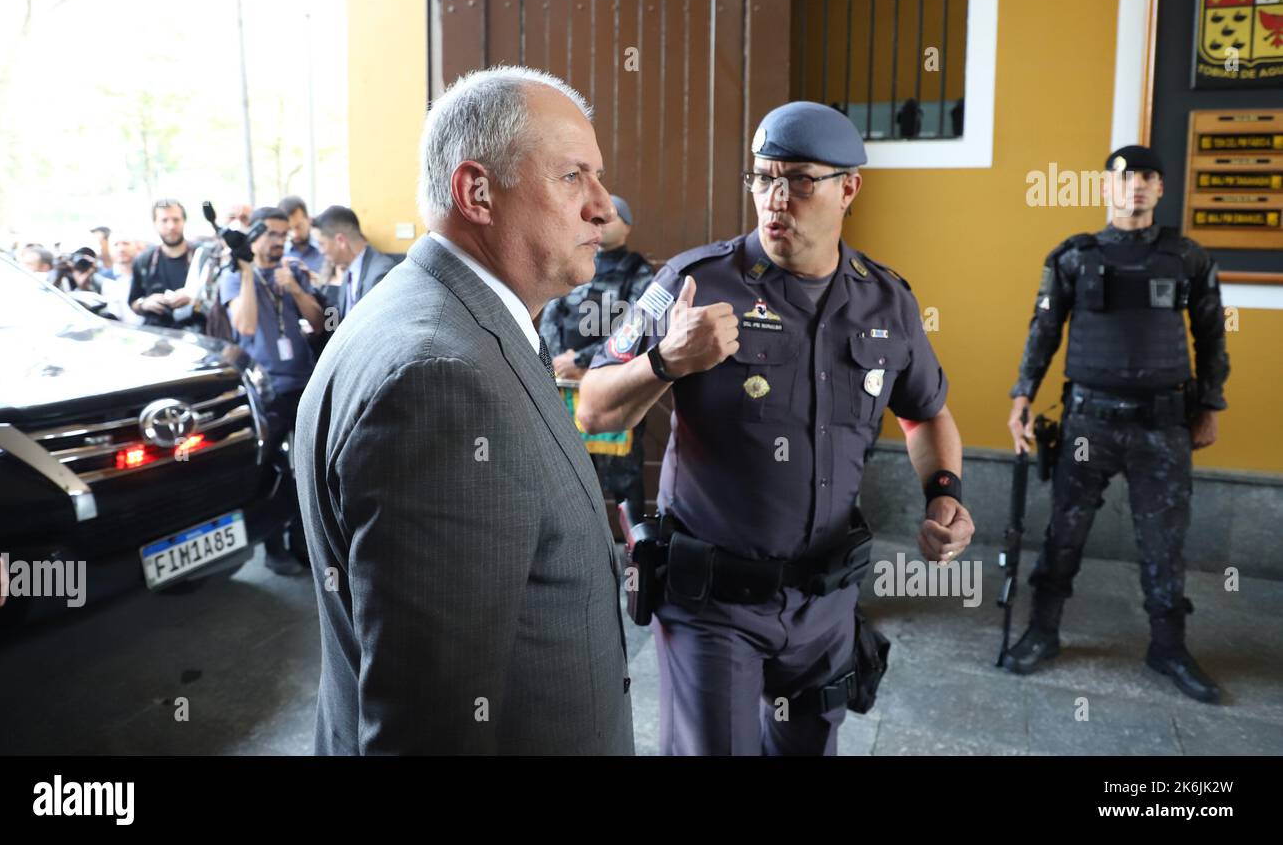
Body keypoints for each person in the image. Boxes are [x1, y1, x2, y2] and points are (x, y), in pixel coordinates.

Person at [578, 101, 974, 756]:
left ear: (849, 187)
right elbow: (593, 407)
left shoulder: (887, 300)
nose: (775, 198)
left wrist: (945, 492)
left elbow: (925, 411)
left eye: (799, 179)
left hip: (825, 606)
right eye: (763, 178)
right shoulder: (694, 282)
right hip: (715, 606)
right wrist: (666, 360)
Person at [295, 65, 633, 755]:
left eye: (597, 178)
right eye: (573, 177)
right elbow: (429, 728)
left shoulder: (448, 319)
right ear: (477, 191)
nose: (603, 206)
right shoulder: (443, 381)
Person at [1004, 144, 1229, 704]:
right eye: (1124, 177)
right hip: (1089, 424)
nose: (1136, 186)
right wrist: (1022, 395)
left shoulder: (1188, 258)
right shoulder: (1074, 258)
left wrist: (1211, 406)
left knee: (1165, 541)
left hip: (1164, 425)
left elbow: (1211, 336)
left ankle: (1169, 647)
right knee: (1065, 531)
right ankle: (1043, 631)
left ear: (1160, 188)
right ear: (1105, 187)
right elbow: (1044, 331)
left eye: (1148, 176)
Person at [220, 206, 324, 576]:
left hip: (303, 380)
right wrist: (248, 273)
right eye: (272, 234)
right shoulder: (233, 275)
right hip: (264, 386)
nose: (280, 241)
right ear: (254, 235)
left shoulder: (293, 269)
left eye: (284, 234)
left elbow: (318, 320)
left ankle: (303, 541)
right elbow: (244, 326)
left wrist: (294, 288)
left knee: (308, 468)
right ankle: (273, 548)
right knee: (271, 469)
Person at [540, 194, 655, 524]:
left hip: (613, 388)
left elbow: (637, 327)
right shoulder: (573, 262)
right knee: (569, 478)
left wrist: (583, 359)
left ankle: (636, 557)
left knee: (624, 480)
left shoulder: (638, 272)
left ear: (628, 227)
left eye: (612, 217)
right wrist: (556, 361)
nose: (601, 223)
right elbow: (552, 312)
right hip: (565, 390)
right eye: (595, 218)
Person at [311, 205, 397, 322]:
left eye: (321, 244)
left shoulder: (380, 274)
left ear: (340, 241)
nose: (321, 251)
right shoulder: (349, 271)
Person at [128, 199, 204, 330]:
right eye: (164, 220)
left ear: (184, 221)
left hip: (197, 331)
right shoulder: (144, 260)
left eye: (176, 220)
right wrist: (144, 303)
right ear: (155, 224)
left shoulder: (202, 256)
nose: (171, 226)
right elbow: (133, 303)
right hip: (157, 333)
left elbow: (217, 302)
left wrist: (194, 300)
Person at [279, 195, 328, 276]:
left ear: (309, 220)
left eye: (298, 226)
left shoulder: (326, 251)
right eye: (289, 229)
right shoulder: (280, 255)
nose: (295, 234)